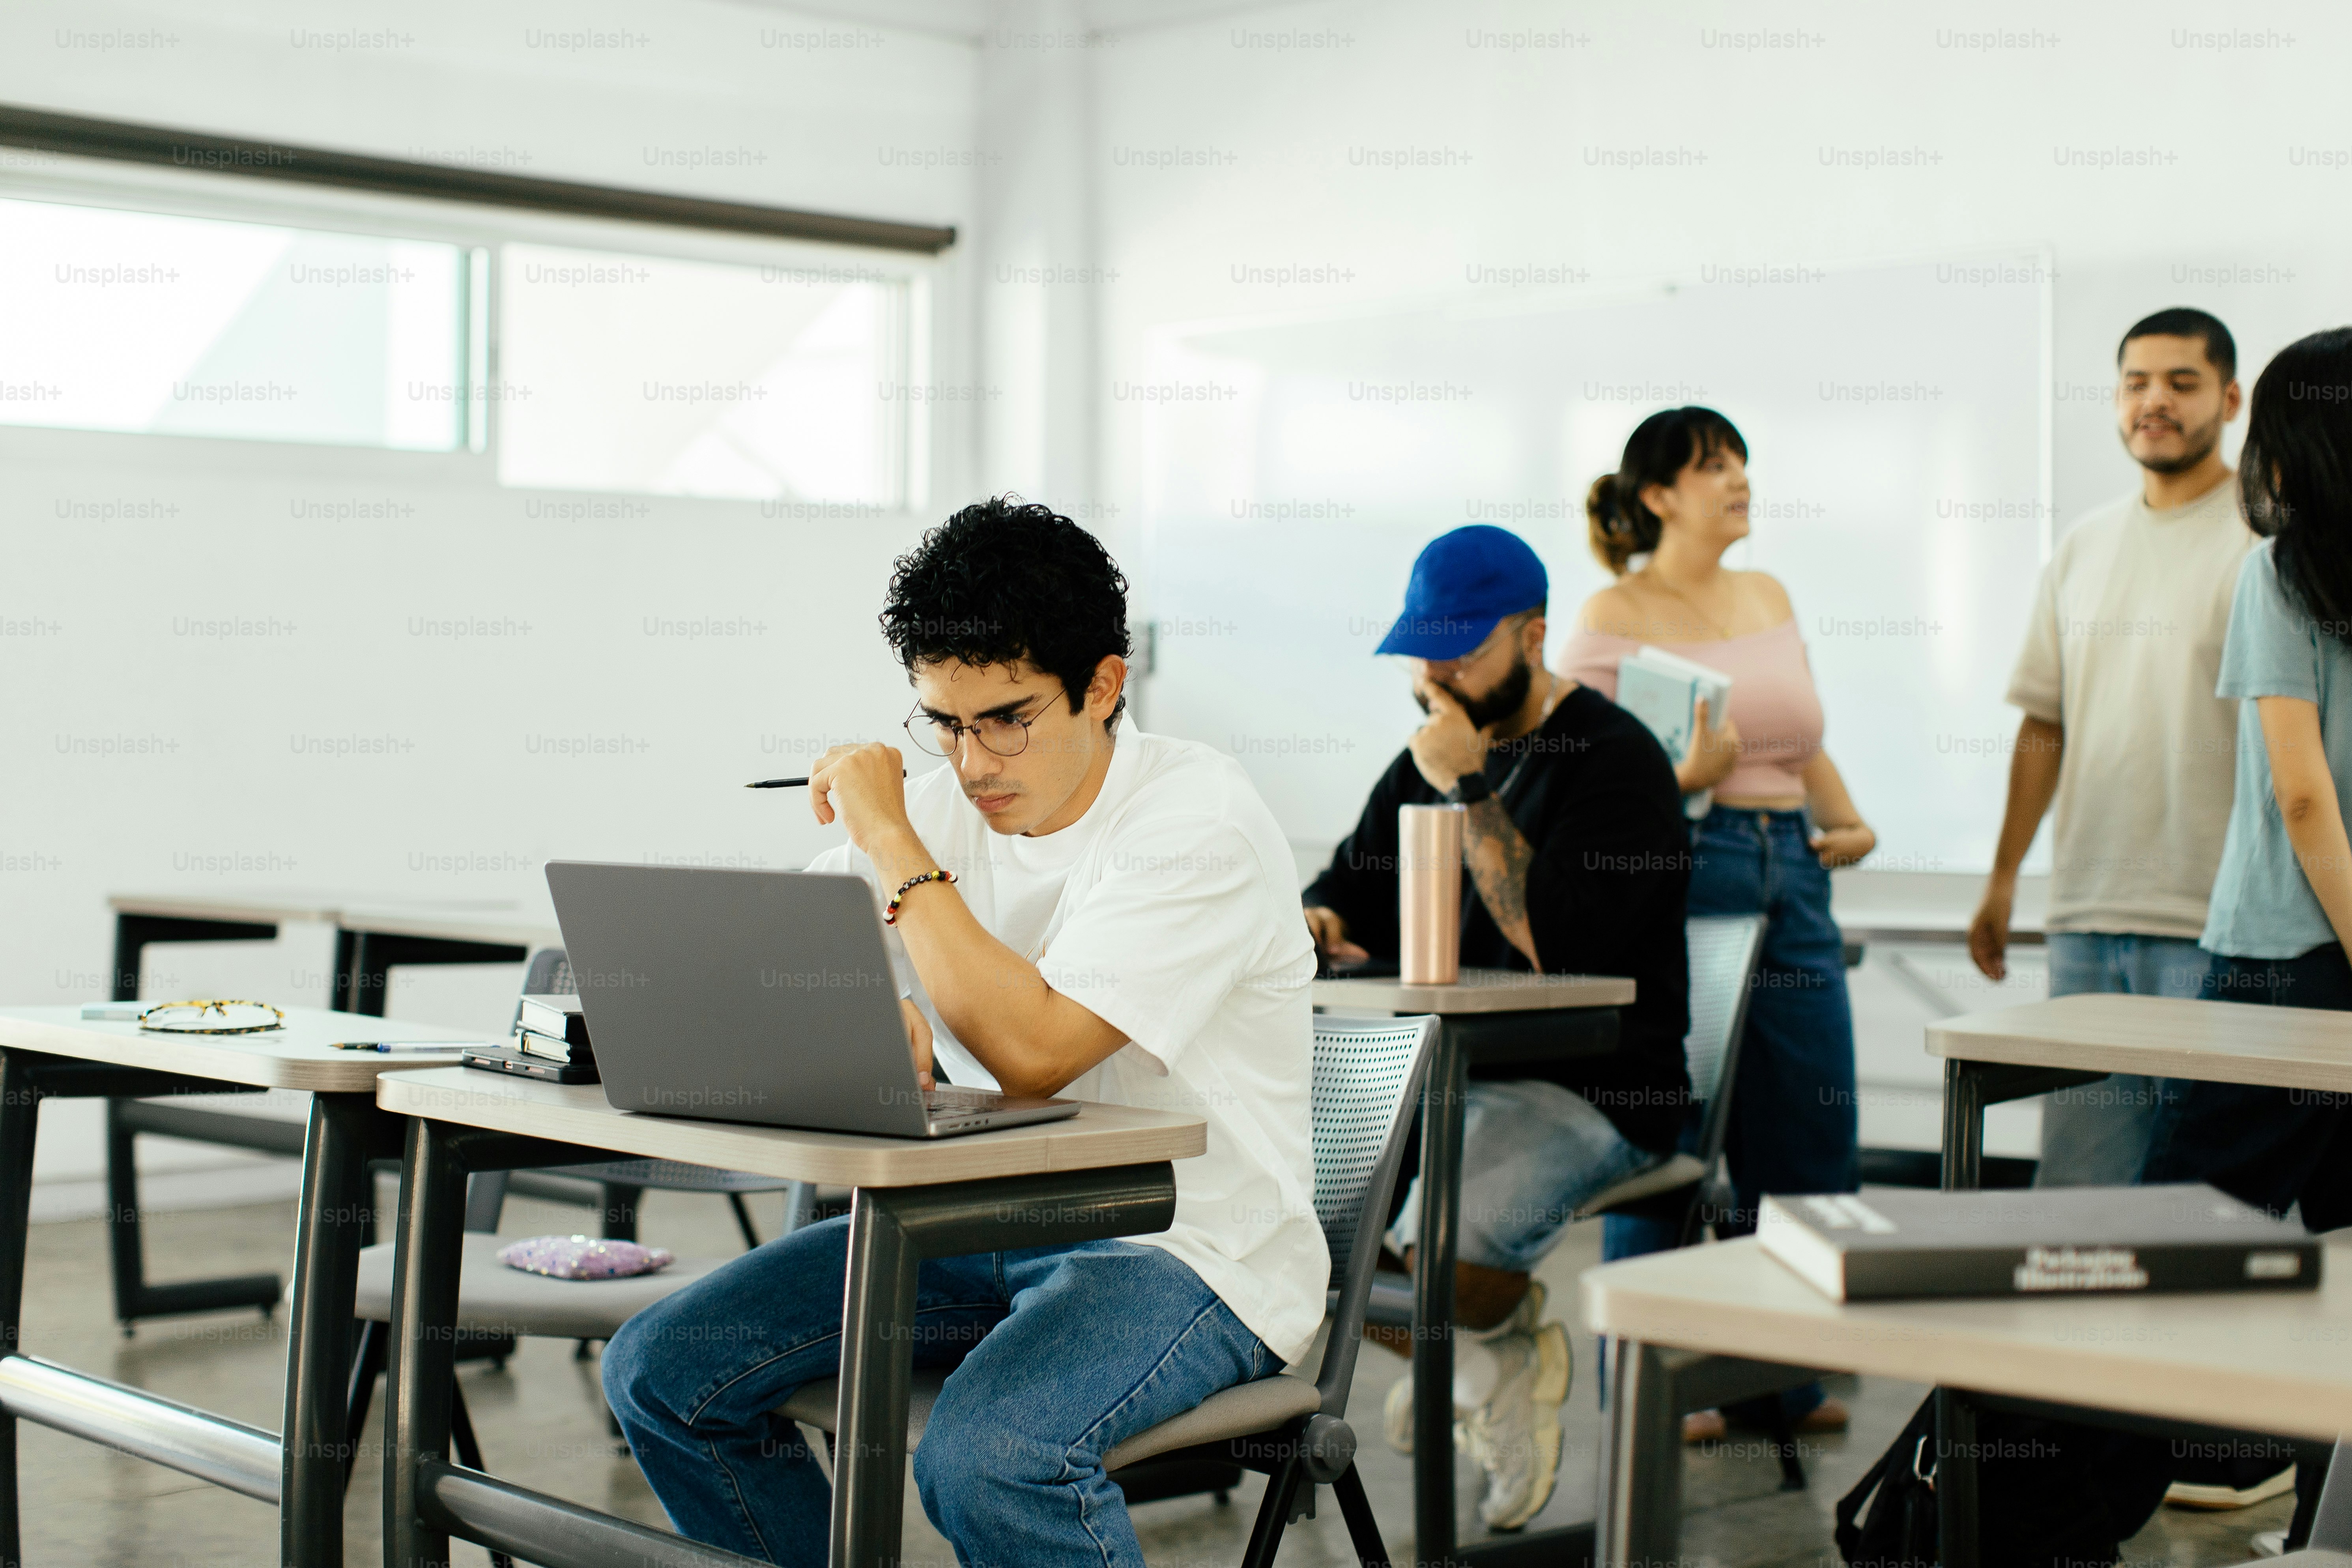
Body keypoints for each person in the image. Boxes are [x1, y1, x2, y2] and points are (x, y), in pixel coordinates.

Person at [602, 498, 1324, 1568]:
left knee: (990, 1457)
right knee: (661, 1373)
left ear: (1104, 685)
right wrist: (857, 1013)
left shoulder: (1196, 819)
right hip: (974, 1223)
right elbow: (776, 966)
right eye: (942, 722)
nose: (973, 761)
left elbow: (1037, 1051)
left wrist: (889, 836)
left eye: (1007, 718)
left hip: (1190, 1249)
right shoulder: (946, 808)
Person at [1302, 523, 1693, 1531]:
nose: (1435, 677)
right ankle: (1488, 1363)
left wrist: (1470, 787)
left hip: (1599, 1085)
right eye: (1421, 654)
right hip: (1450, 1077)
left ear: (1532, 635)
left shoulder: (1615, 760)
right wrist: (1320, 917)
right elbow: (1345, 885)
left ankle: (1464, 1351)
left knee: (1442, 1243)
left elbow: (1557, 942)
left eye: (1460, 653)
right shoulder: (1423, 759)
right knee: (1292, 1223)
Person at [1557, 406, 1873, 1440]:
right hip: (1693, 864)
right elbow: (1586, 777)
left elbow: (1800, 736)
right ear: (1657, 495)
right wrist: (1682, 776)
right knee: (1673, 1127)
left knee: (1807, 1129)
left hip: (1794, 872)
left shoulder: (1766, 592)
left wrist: (1845, 819)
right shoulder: (1614, 610)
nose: (1738, 479)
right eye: (1712, 467)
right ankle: (1648, 1385)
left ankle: (1778, 1379)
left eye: (1740, 461)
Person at [2139, 326, 2352, 1549]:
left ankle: (2057, 1494)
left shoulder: (2281, 575)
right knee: (2341, 1242)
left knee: (2173, 1235)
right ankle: (2320, 1507)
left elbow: (2304, 797)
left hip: (2284, 955)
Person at [1971, 307, 2253, 1188]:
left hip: (2216, 923)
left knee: (2203, 1198)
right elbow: (2042, 723)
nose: (2152, 401)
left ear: (2230, 399)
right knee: (2076, 1195)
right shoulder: (2081, 547)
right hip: (2086, 917)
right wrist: (2003, 875)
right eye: (2135, 383)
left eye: (2180, 382)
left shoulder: (2265, 539)